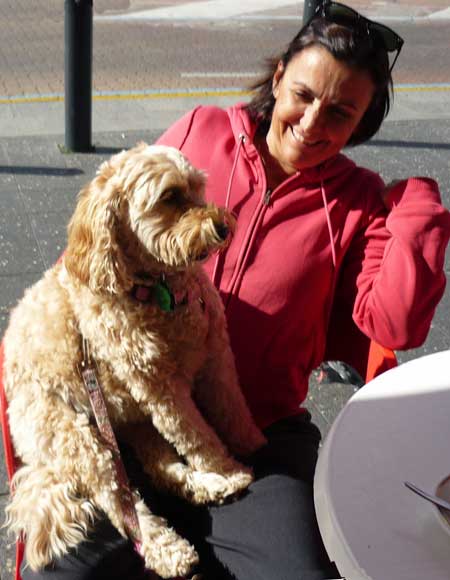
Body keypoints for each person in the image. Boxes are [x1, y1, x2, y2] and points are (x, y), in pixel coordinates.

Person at [21, 3, 450, 580]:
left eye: (342, 112)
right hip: (125, 421)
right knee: (70, 572)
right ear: (278, 80)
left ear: (363, 122)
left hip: (261, 433)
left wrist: (419, 203)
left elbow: (395, 324)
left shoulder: (357, 202)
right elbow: (103, 243)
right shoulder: (203, 130)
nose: (314, 121)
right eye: (303, 94)